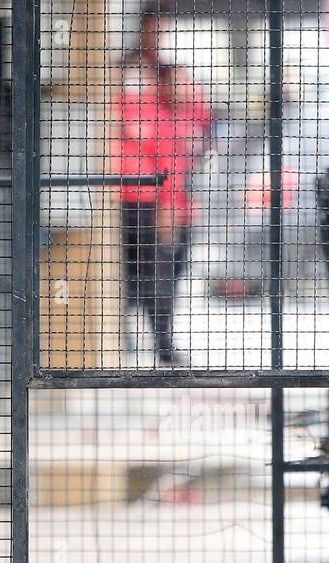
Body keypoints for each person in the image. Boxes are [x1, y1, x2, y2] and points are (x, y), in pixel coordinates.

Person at [113, 3, 212, 365]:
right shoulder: (130, 73)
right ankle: (142, 340)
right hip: (136, 196)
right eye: (155, 28)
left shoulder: (176, 79)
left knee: (165, 269)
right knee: (139, 269)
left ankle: (161, 341)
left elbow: (196, 135)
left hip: (168, 198)